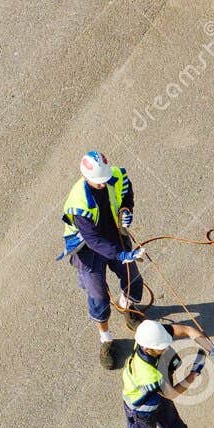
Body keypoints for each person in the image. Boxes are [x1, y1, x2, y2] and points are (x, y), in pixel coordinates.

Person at [60, 150, 146, 368]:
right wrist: (121, 254)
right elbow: (93, 240)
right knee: (98, 296)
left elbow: (127, 194)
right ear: (86, 178)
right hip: (88, 249)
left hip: (114, 236)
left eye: (105, 179)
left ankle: (127, 309)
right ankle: (106, 339)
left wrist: (127, 209)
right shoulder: (79, 203)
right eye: (98, 182)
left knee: (133, 278)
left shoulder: (115, 176)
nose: (103, 183)